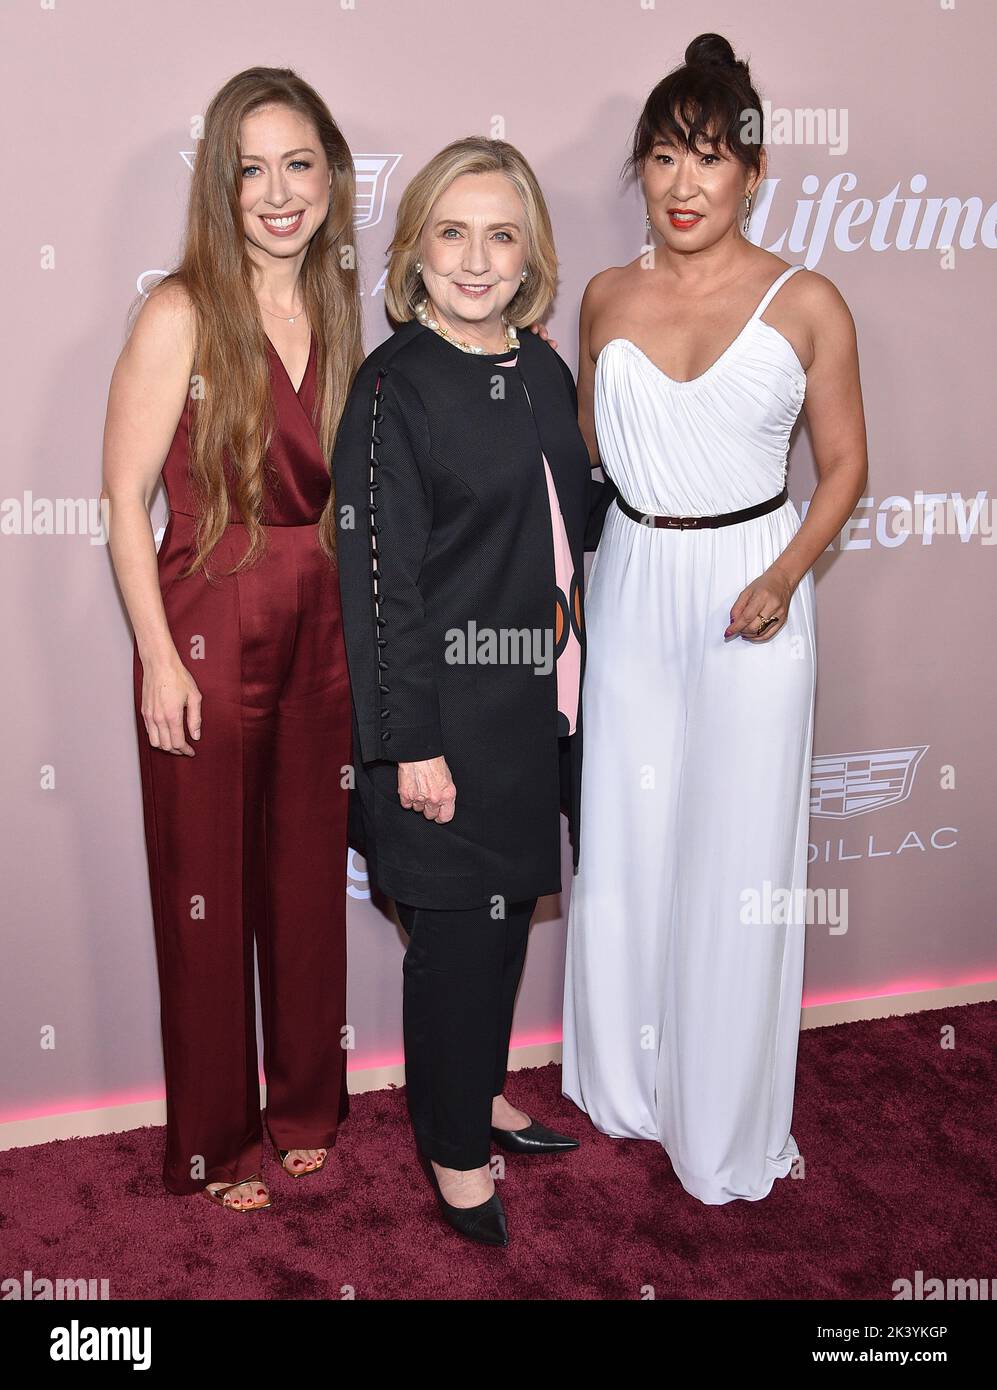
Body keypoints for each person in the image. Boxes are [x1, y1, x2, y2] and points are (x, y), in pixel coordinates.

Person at [561, 33, 869, 1204]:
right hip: (633, 581)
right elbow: (583, 457)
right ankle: (629, 1086)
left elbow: (843, 466)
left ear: (752, 169)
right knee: (630, 846)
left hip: (754, 589)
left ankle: (722, 1114)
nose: (684, 184)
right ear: (639, 173)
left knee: (736, 855)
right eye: (661, 159)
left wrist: (788, 573)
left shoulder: (808, 300)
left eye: (710, 158)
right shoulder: (603, 296)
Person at [333, 137, 606, 1246]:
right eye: (452, 232)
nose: (477, 259)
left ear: (531, 250)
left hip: (535, 708)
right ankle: (452, 1149)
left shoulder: (540, 368)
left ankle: (480, 1090)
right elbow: (379, 581)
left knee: (503, 928)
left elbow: (568, 526)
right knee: (453, 940)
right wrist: (409, 746)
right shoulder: (394, 386)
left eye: (501, 235)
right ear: (413, 249)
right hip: (445, 718)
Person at [102, 68, 361, 1211]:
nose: (276, 190)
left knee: (307, 878)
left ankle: (304, 1102)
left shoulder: (352, 310)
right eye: (250, 167)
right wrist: (158, 655)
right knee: (205, 888)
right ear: (220, 184)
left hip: (326, 619)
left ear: (330, 175)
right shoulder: (179, 310)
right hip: (206, 613)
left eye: (297, 162)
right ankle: (213, 1139)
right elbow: (122, 502)